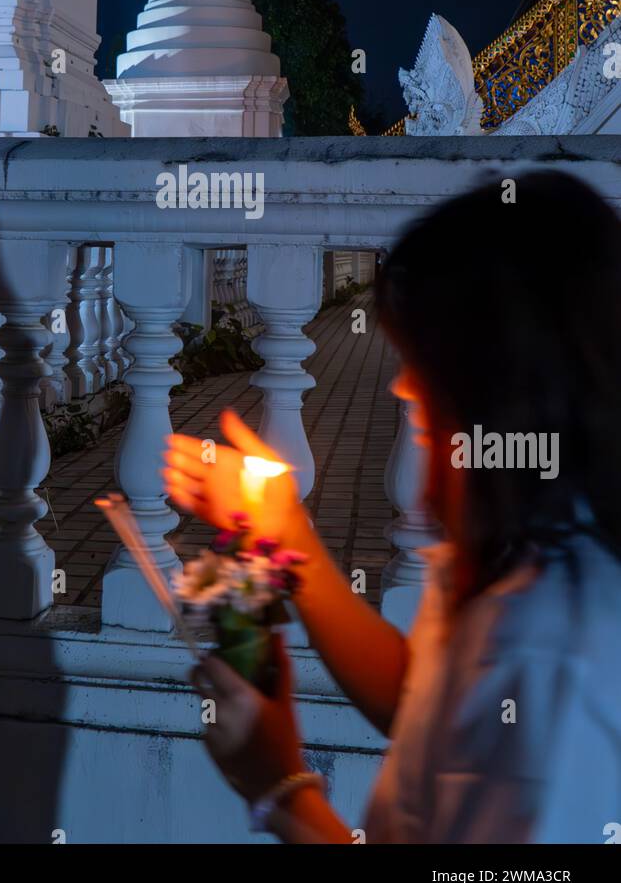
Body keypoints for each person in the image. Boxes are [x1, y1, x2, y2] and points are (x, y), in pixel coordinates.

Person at [162, 171, 621, 843]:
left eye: (425, 377)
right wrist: (286, 529)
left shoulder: (555, 664)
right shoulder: (534, 549)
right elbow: (427, 704)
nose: (403, 388)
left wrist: (280, 789)